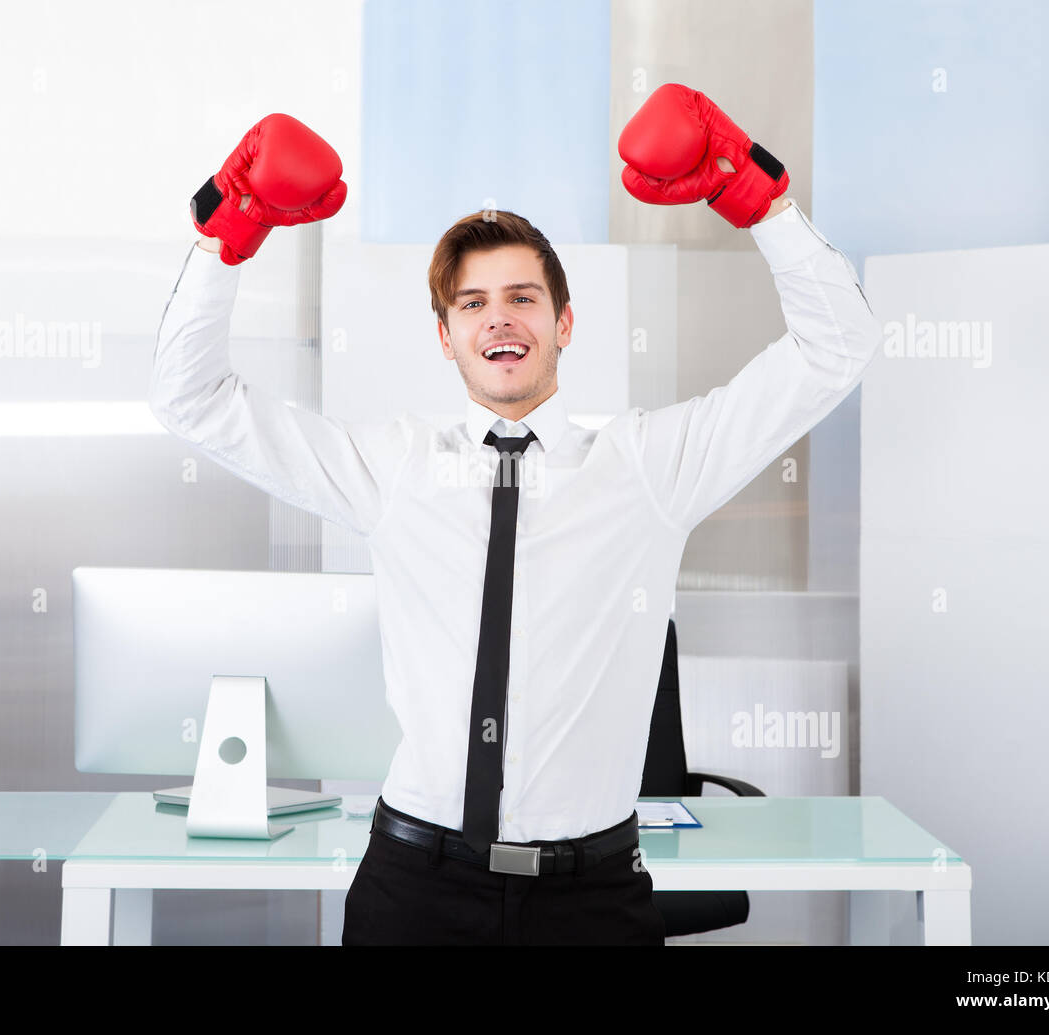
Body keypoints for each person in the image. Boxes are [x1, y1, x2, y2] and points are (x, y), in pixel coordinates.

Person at [150, 84, 881, 946]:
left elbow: (839, 347)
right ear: (447, 336)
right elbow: (189, 397)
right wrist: (225, 233)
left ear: (564, 322)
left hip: (592, 898)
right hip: (414, 888)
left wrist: (756, 194)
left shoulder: (648, 468)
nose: (499, 315)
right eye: (472, 303)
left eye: (523, 297)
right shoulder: (392, 467)